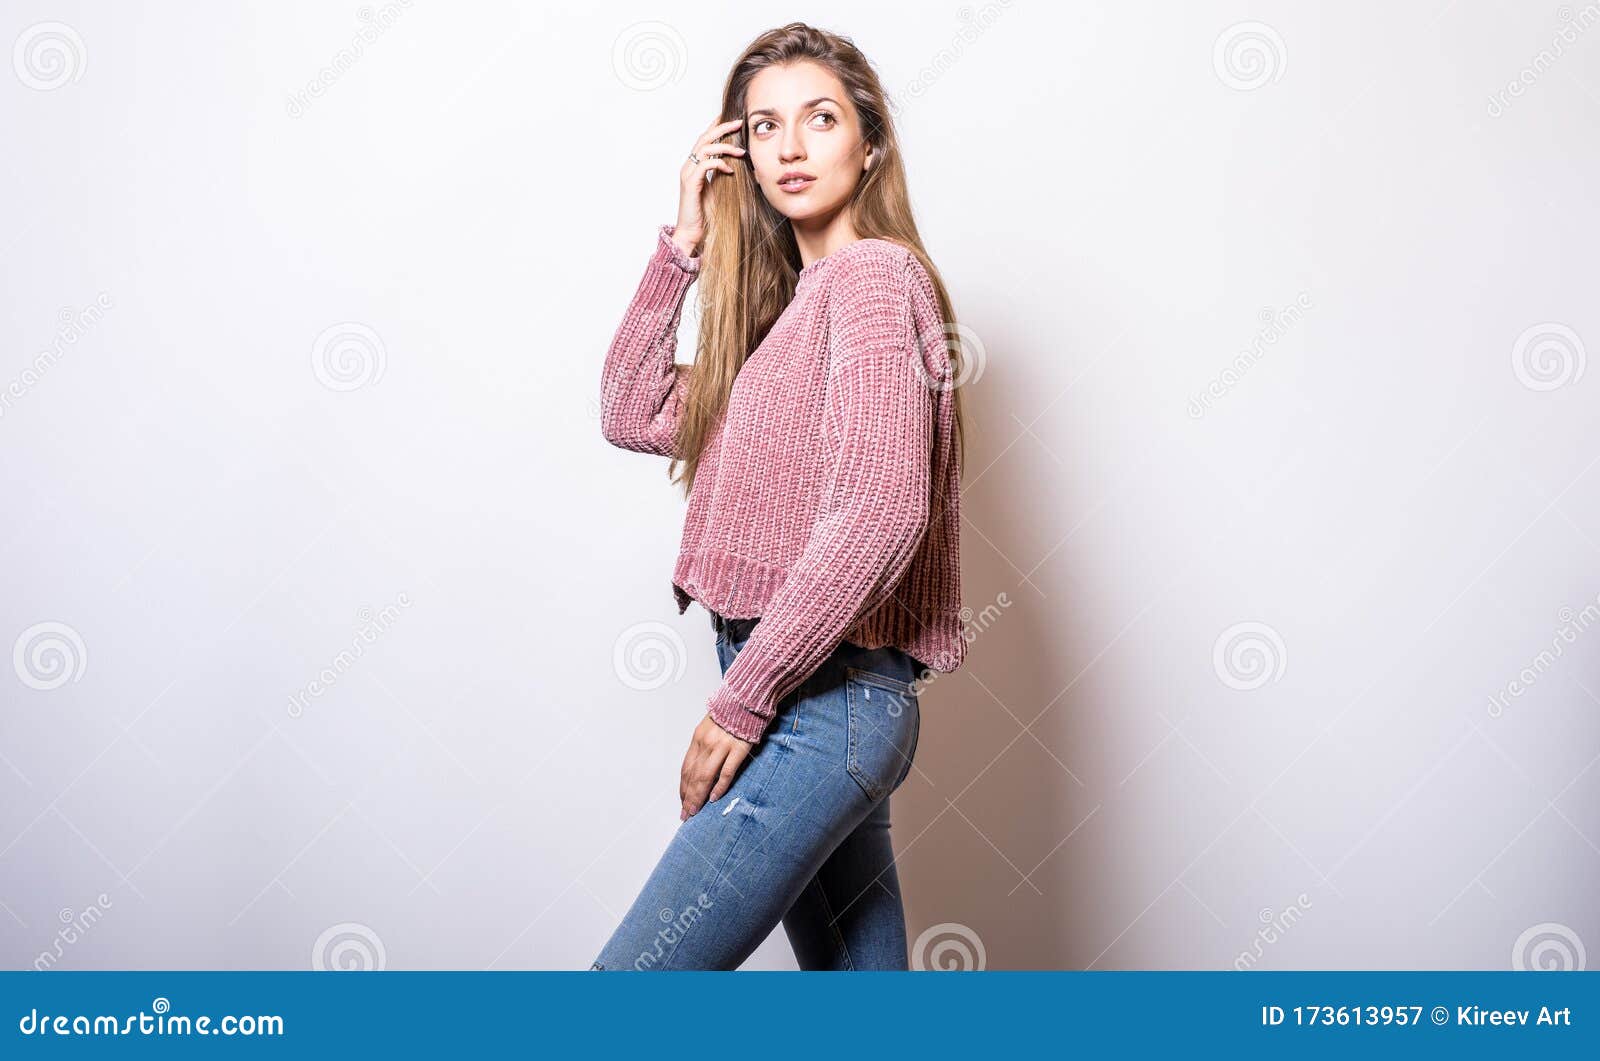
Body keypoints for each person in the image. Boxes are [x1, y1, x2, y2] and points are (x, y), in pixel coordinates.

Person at [591, 21, 969, 971]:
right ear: (741, 153)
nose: (790, 147)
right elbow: (632, 410)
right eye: (764, 127)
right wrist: (682, 242)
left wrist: (739, 700)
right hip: (822, 700)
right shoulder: (790, 318)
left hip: (817, 701)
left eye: (820, 118)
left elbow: (883, 512)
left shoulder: (873, 280)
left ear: (870, 143)